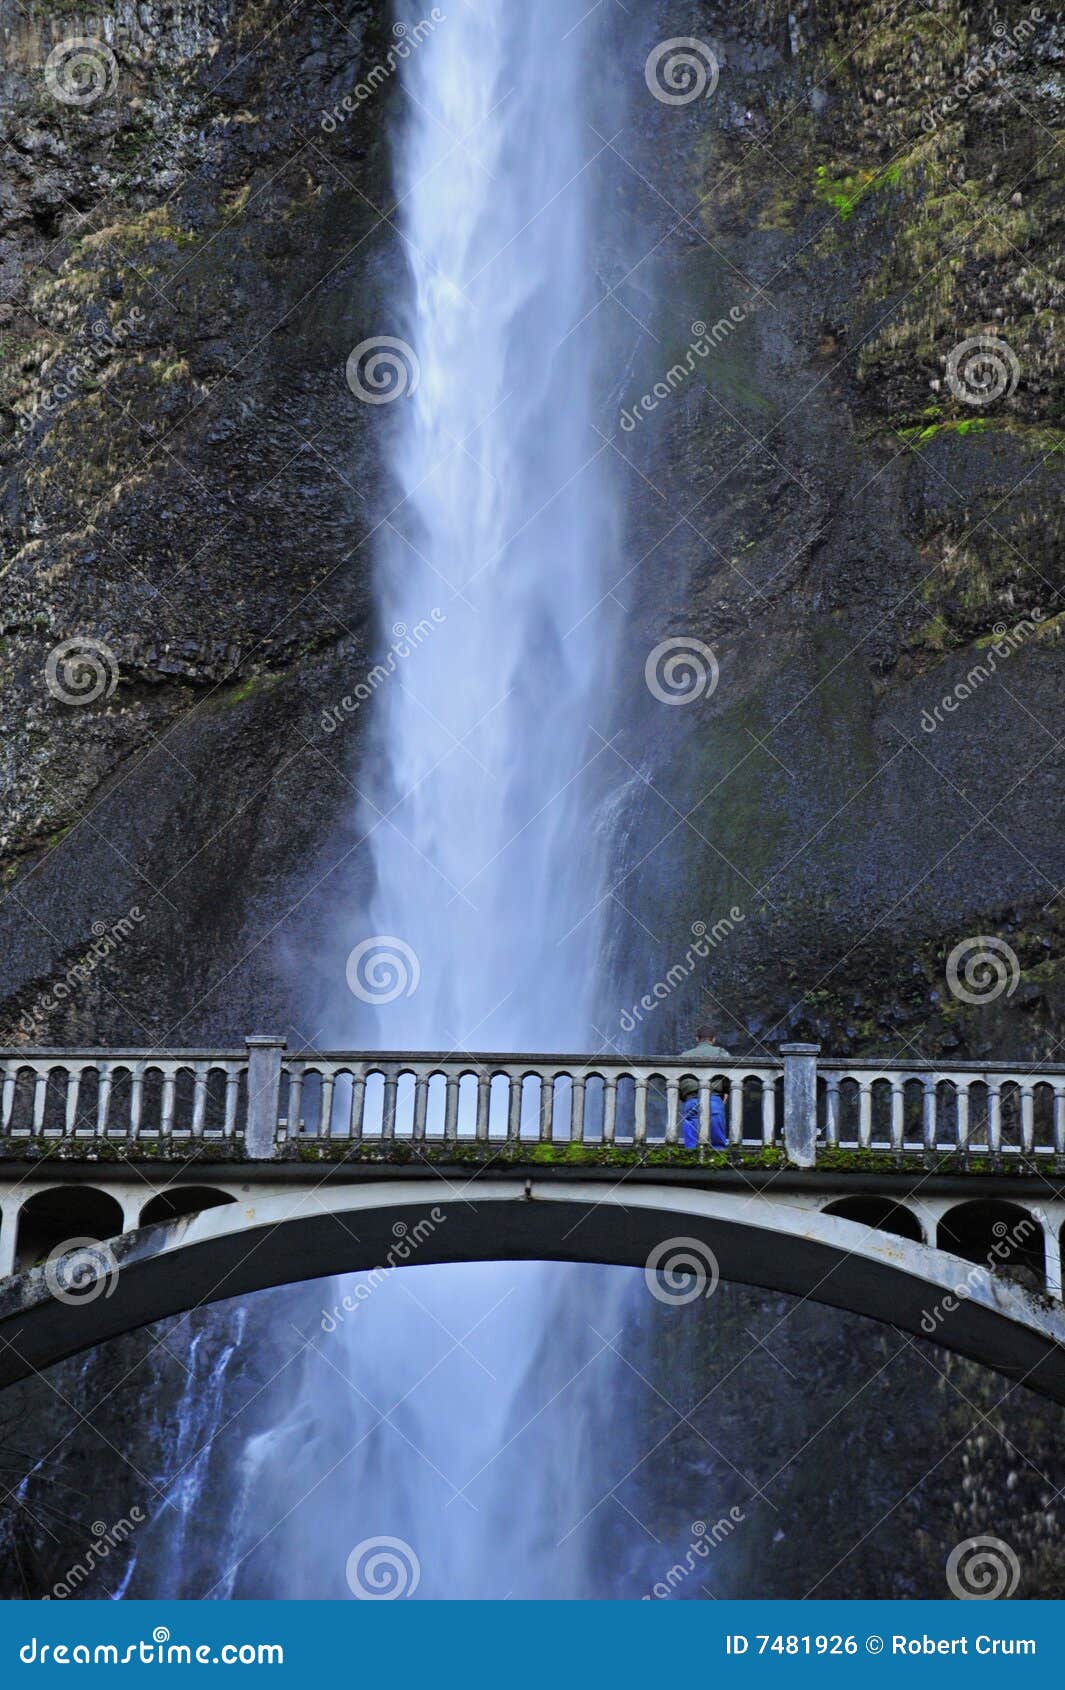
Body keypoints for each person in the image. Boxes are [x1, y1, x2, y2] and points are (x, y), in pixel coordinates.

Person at [678, 1024, 732, 1149]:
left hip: (691, 1100)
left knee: (691, 1139)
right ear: (713, 1039)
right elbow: (730, 1074)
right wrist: (726, 1092)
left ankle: (691, 1158)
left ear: (697, 1039)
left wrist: (684, 1096)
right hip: (713, 1099)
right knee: (717, 1139)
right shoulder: (720, 1052)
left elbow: (679, 1080)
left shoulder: (684, 1055)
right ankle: (718, 1161)